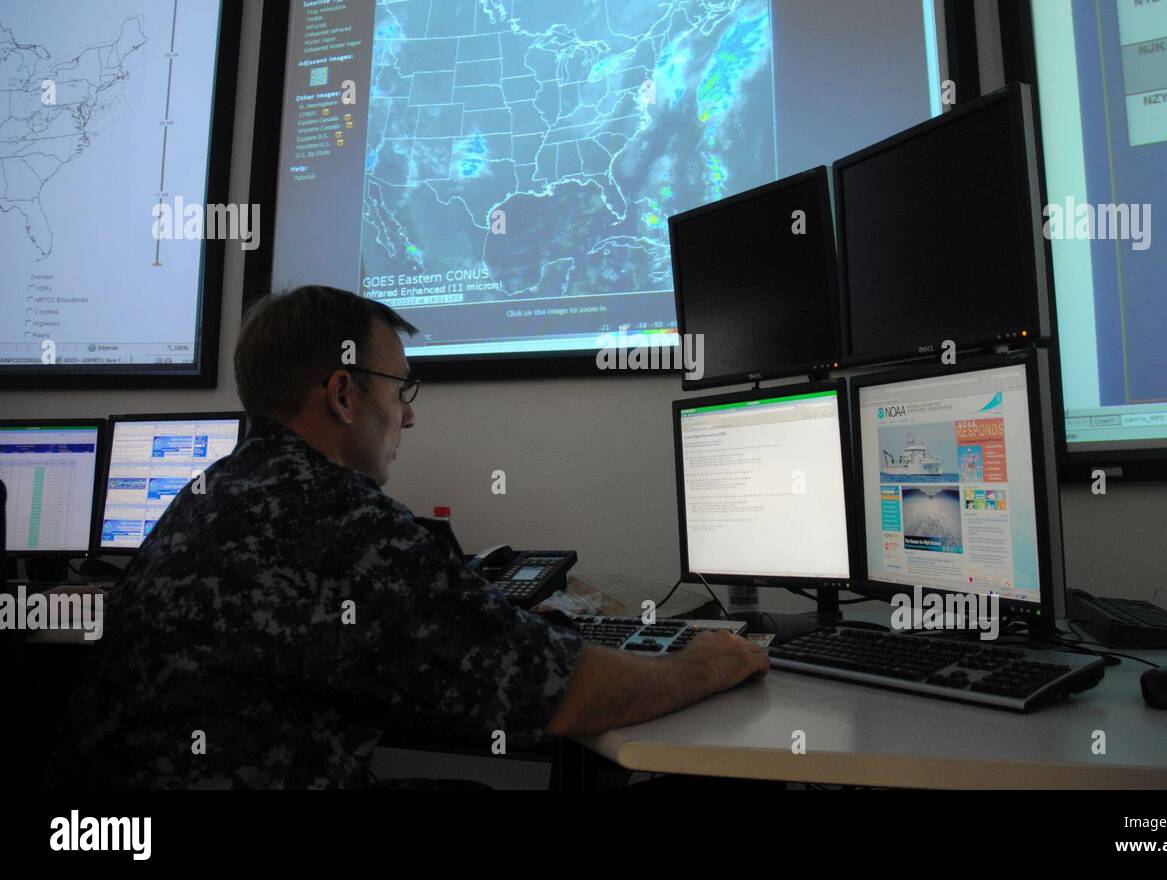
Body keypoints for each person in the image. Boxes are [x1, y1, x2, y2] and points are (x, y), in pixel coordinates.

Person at [44, 285, 768, 789]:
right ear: (344, 393)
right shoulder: (344, 522)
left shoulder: (210, 491)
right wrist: (707, 663)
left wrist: (499, 626)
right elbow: (567, 697)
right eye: (402, 391)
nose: (410, 418)